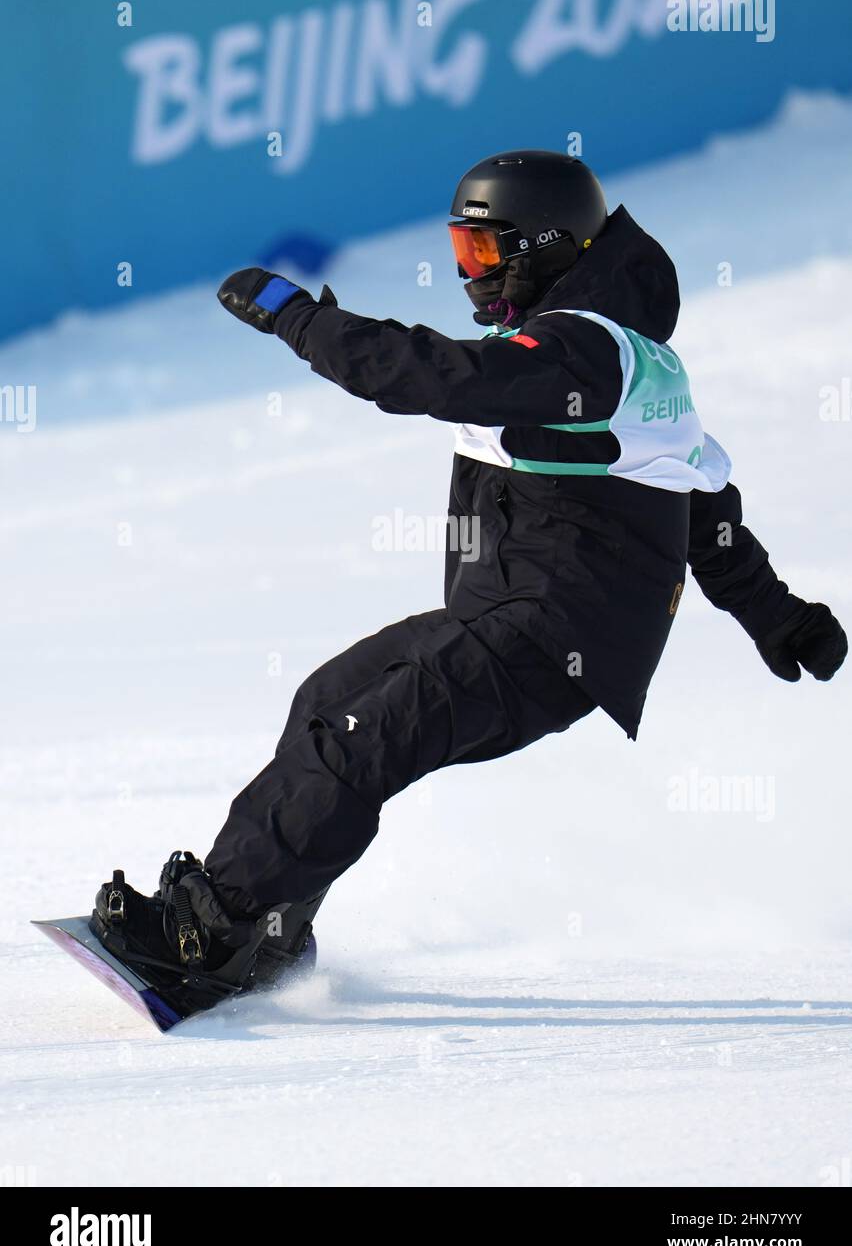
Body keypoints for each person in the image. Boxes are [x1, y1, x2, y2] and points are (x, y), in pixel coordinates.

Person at [92, 151, 847, 1007]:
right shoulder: (623, 357)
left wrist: (295, 318)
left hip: (551, 634)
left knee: (357, 736)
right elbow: (706, 510)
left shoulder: (581, 352)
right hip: (514, 619)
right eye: (461, 252)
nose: (468, 276)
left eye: (487, 254)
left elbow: (425, 375)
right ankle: (263, 934)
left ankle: (205, 933)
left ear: (553, 247)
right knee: (328, 699)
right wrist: (781, 619)